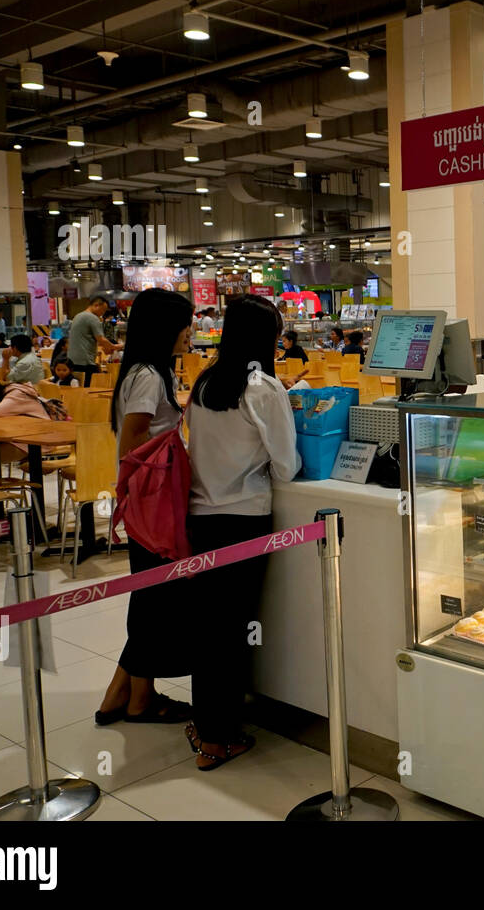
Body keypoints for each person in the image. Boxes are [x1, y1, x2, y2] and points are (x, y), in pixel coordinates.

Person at [184, 294, 299, 769]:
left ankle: (206, 723)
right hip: (244, 520)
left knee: (209, 627)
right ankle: (219, 738)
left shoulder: (206, 382)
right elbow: (287, 466)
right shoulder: (264, 388)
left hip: (200, 518)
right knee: (234, 630)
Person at [96, 288, 195, 728]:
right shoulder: (150, 376)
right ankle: (138, 700)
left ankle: (123, 694)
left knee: (149, 594)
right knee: (156, 597)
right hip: (152, 500)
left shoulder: (142, 371)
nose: (190, 333)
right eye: (185, 325)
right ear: (165, 329)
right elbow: (134, 439)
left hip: (145, 500)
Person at [68, 295, 122, 384]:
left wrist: (106, 348)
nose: (103, 313)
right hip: (85, 362)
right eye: (103, 310)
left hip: (72, 362)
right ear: (96, 305)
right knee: (89, 388)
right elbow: (101, 339)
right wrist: (116, 347)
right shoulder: (92, 318)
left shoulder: (77, 316)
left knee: (77, 388)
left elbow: (88, 338)